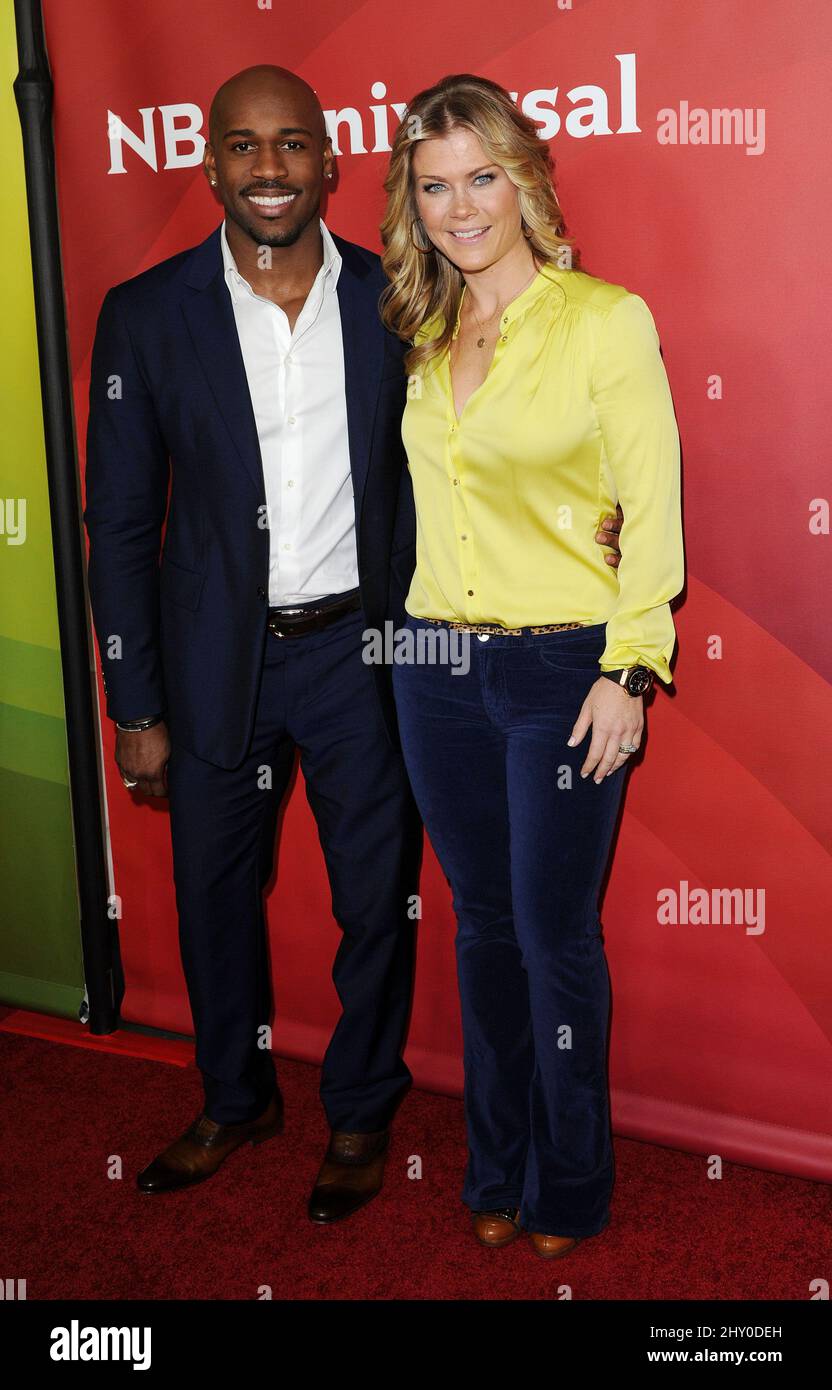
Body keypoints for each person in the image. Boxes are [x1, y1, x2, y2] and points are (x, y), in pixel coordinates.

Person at [83, 64, 624, 1227]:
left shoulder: (398, 305)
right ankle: (233, 1098)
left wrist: (590, 519)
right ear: (209, 161)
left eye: (291, 146)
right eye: (241, 145)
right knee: (210, 893)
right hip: (211, 661)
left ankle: (362, 1110)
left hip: (371, 657)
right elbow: (120, 523)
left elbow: (467, 460)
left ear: (330, 165)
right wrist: (135, 701)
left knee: (378, 900)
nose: (267, 168)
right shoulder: (144, 314)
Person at [379, 73, 684, 1258]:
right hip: (433, 664)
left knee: (554, 935)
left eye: (482, 178)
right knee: (479, 928)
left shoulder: (604, 319)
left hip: (565, 672)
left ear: (526, 179)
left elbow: (650, 507)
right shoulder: (416, 329)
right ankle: (493, 1163)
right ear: (415, 198)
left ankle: (573, 1179)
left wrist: (633, 664)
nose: (461, 208)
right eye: (436, 184)